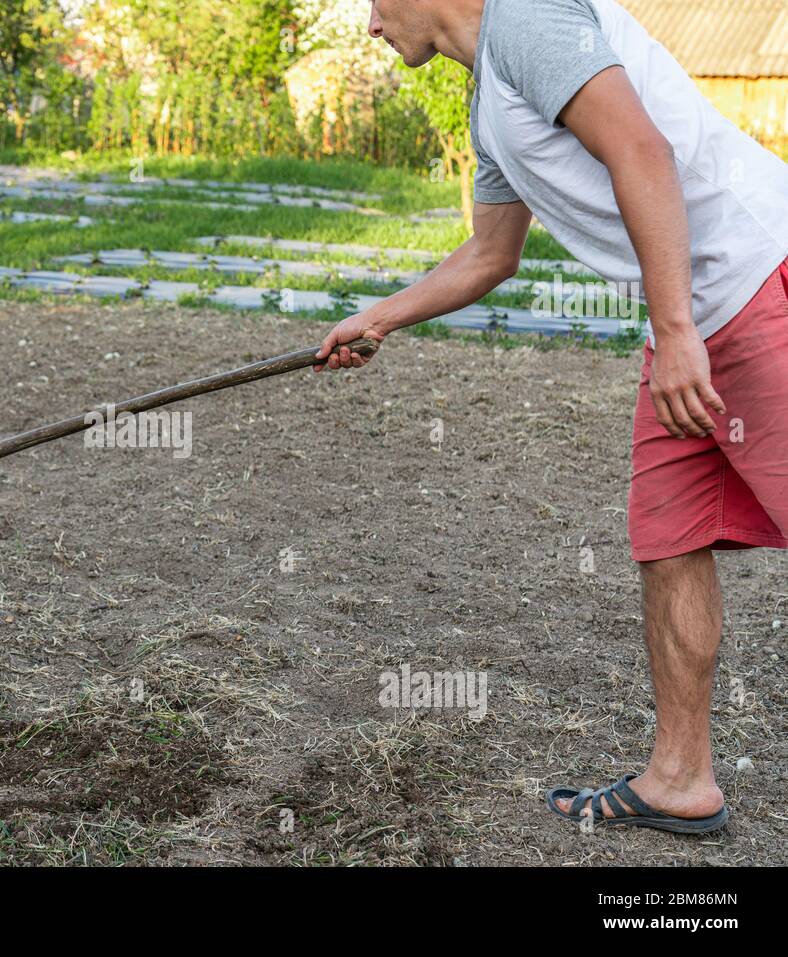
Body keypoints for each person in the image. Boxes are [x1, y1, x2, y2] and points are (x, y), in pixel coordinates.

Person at [315, 0, 788, 832]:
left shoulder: (526, 20)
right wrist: (381, 316)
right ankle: (679, 776)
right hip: (688, 315)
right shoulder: (488, 103)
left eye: (375, 1)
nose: (372, 26)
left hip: (749, 284)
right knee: (669, 536)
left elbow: (640, 147)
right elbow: (492, 254)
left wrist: (677, 330)